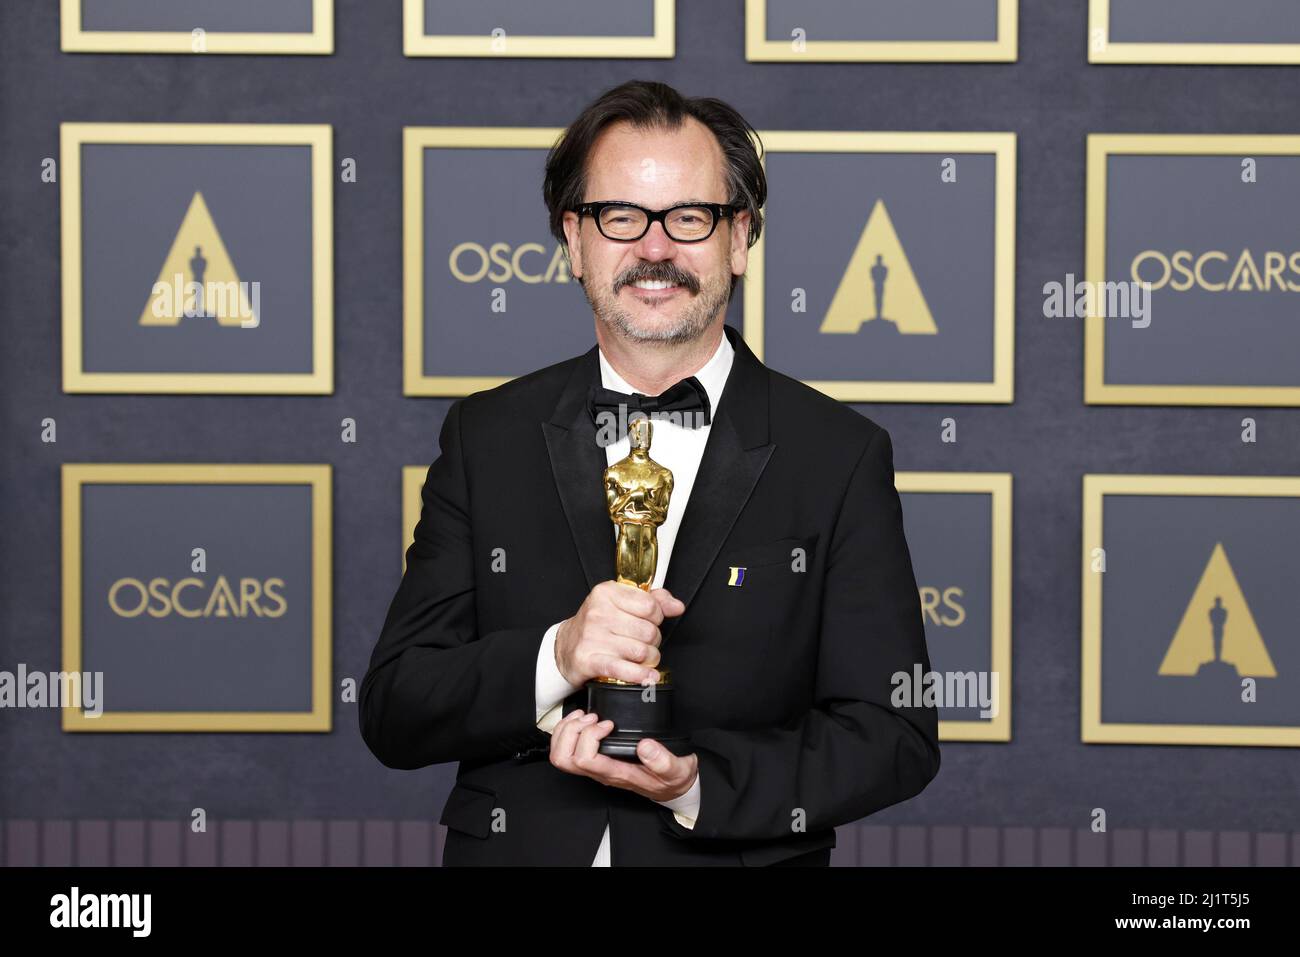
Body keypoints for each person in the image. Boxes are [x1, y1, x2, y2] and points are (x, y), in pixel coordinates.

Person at [360, 79, 940, 866]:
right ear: (574, 239)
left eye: (690, 217)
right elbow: (396, 707)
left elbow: (894, 734)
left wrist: (697, 785)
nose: (656, 247)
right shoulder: (486, 437)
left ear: (740, 238)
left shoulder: (838, 454)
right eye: (619, 216)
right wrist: (557, 655)